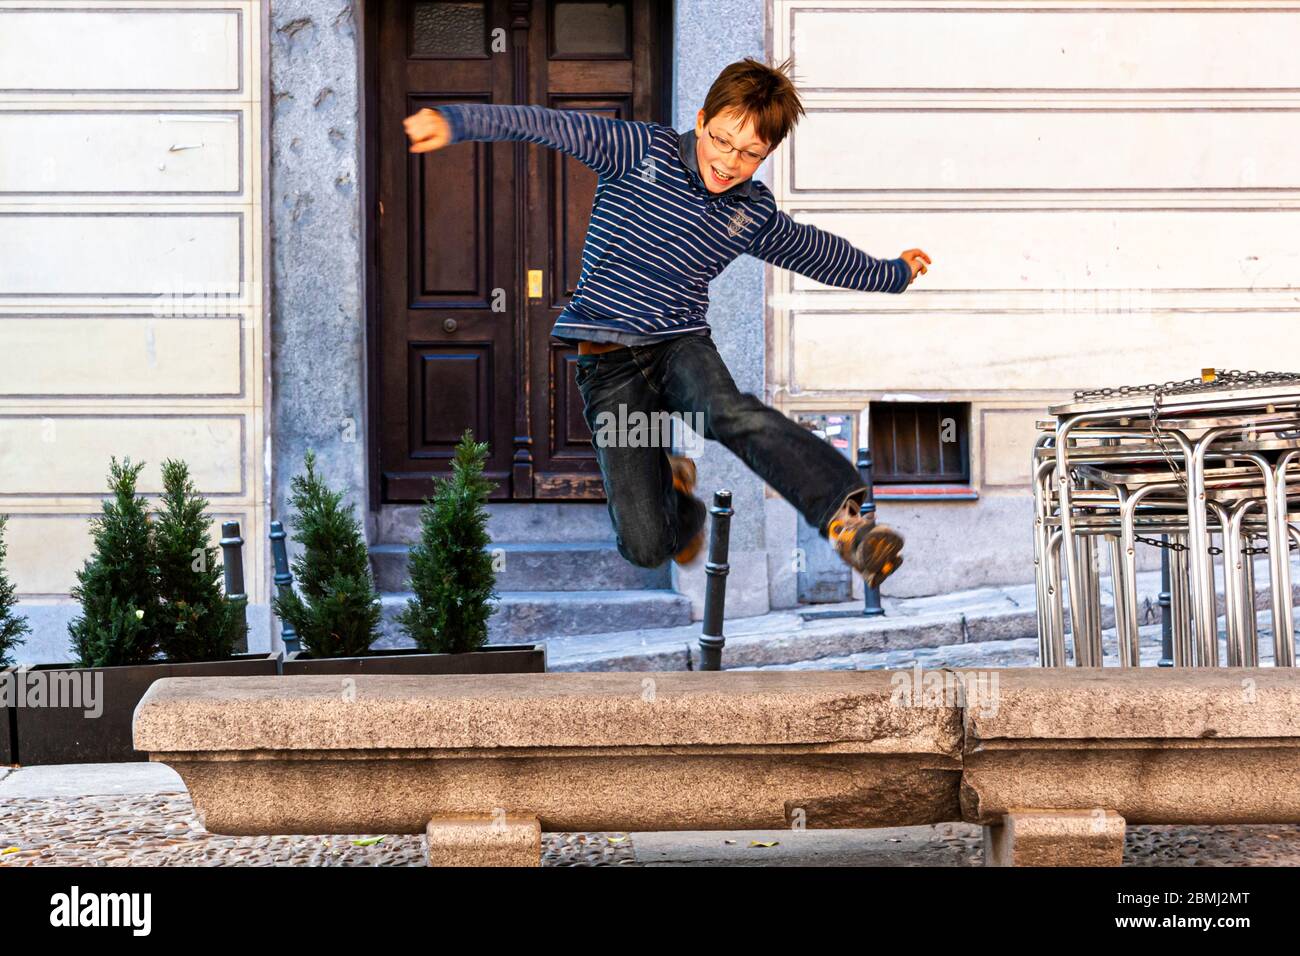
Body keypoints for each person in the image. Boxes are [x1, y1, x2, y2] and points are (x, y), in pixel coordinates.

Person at [403, 56, 931, 588]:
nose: (729, 162)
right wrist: (456, 121)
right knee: (647, 546)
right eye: (722, 140)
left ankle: (847, 523)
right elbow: (547, 124)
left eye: (750, 154)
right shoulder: (639, 150)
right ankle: (677, 497)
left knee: (728, 414)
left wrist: (894, 273)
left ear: (766, 154)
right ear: (701, 121)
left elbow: (817, 252)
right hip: (609, 365)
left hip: (680, 348)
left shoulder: (751, 212)